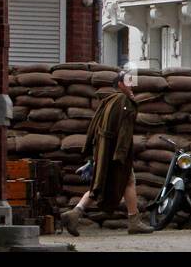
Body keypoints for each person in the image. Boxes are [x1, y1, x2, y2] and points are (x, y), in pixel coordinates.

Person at [61, 71, 152, 236]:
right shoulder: (124, 101)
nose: (132, 85)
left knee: (100, 184)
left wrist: (94, 151)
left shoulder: (109, 101)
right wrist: (121, 154)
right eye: (128, 82)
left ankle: (75, 213)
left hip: (104, 151)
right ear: (120, 84)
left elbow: (95, 127)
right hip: (115, 152)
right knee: (128, 180)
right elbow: (124, 131)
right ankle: (134, 222)